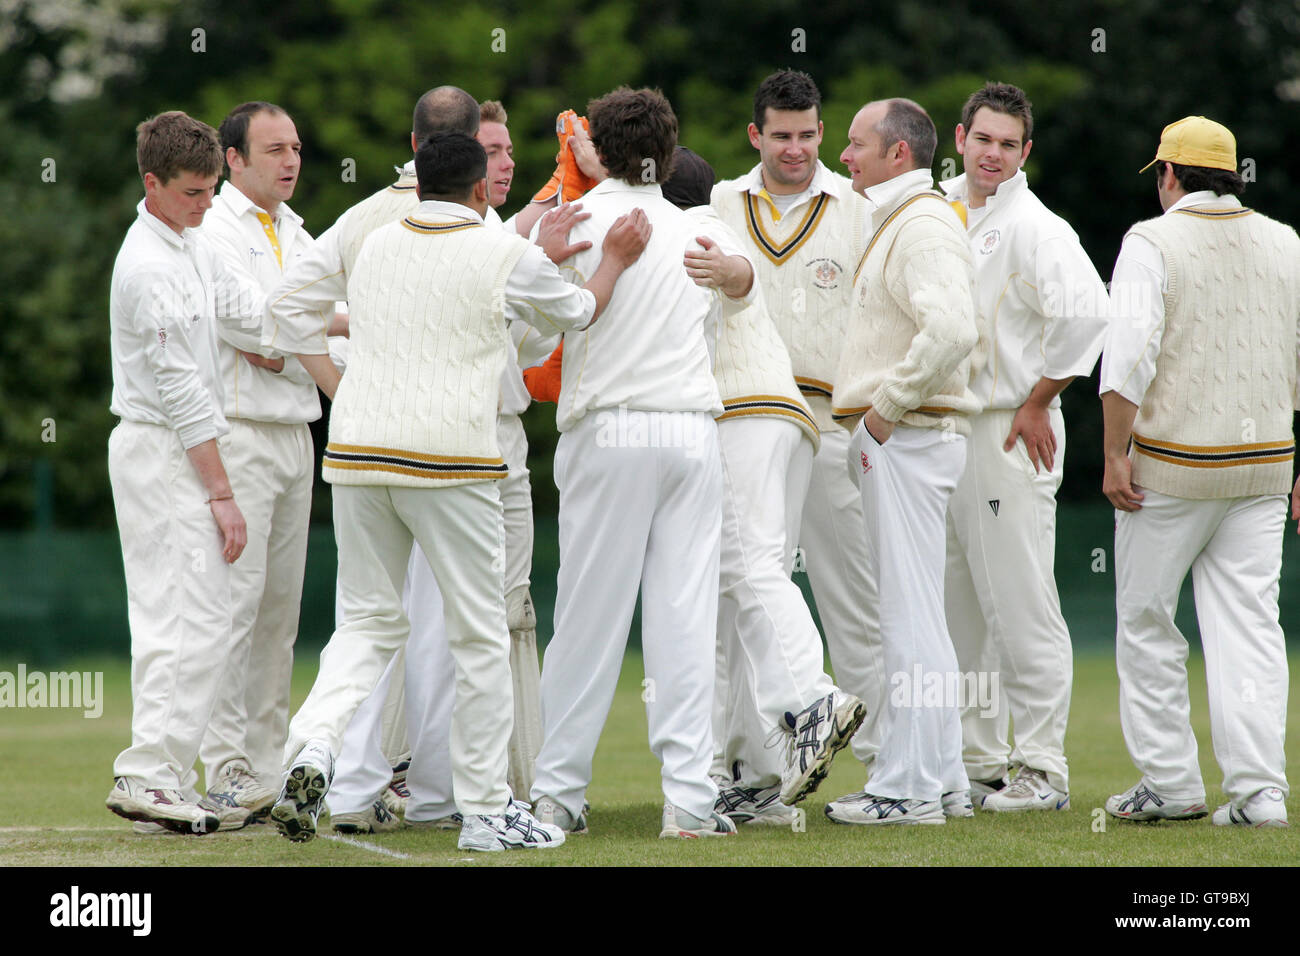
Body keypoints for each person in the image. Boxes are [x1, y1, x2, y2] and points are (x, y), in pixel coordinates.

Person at [269, 131, 649, 851]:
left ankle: (314, 747)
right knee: (479, 636)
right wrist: (614, 264)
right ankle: (484, 812)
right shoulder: (499, 248)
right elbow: (577, 314)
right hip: (454, 462)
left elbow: (287, 310)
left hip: (357, 454)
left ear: (419, 182)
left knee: (366, 625)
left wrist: (345, 390)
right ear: (480, 189)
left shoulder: (373, 241)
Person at [526, 87, 755, 839]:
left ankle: (557, 796)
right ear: (672, 144)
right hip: (692, 433)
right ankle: (689, 802)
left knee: (589, 617)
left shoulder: (574, 223)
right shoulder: (702, 225)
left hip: (611, 431)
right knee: (685, 619)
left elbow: (530, 333)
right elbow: (745, 284)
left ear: (601, 145)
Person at [1101, 116, 1297, 829]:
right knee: (1250, 626)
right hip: (1266, 470)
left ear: (1169, 175)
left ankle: (1172, 783)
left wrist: (1114, 452)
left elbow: (1127, 357)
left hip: (1173, 471)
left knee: (1149, 620)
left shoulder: (1150, 239)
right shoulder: (1287, 242)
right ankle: (1260, 794)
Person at [709, 70, 885, 789]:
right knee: (754, 595)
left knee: (856, 603)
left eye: (808, 134)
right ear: (756, 134)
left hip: (834, 421)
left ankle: (894, 774)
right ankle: (758, 770)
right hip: (749, 421)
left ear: (822, 130)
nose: (795, 148)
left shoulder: (856, 205)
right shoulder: (722, 200)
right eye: (780, 135)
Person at [938, 83, 1108, 811]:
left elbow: (1091, 313)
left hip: (1007, 424)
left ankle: (1043, 769)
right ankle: (981, 763)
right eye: (984, 141)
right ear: (960, 137)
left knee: (1021, 602)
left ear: (1025, 151)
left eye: (1009, 145)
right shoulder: (937, 206)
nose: (994, 156)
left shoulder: (1038, 226)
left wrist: (1041, 399)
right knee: (961, 609)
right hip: (943, 428)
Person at [105, 111, 267, 834]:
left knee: (199, 616)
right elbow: (179, 391)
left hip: (178, 450)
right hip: (160, 449)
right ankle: (149, 775)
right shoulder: (148, 265)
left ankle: (161, 777)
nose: (207, 205)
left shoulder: (190, 244)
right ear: (154, 184)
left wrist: (354, 317)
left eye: (210, 191)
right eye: (194, 193)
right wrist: (223, 493)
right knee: (183, 616)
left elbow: (250, 310)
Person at [826, 98, 981, 825]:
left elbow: (951, 328)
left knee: (908, 618)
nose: (844, 157)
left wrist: (885, 409)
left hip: (909, 434)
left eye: (856, 145)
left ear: (899, 155)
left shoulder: (919, 222)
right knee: (917, 614)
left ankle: (909, 789)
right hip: (909, 434)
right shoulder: (905, 218)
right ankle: (939, 779)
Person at [194, 101, 323, 830]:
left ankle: (265, 769)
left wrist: (285, 333)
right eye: (274, 148)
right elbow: (252, 325)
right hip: (239, 431)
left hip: (295, 434)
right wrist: (288, 331)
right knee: (234, 609)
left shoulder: (300, 234)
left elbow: (290, 326)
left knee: (279, 615)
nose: (291, 160)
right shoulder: (213, 227)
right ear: (233, 158)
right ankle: (225, 768)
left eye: (297, 147)